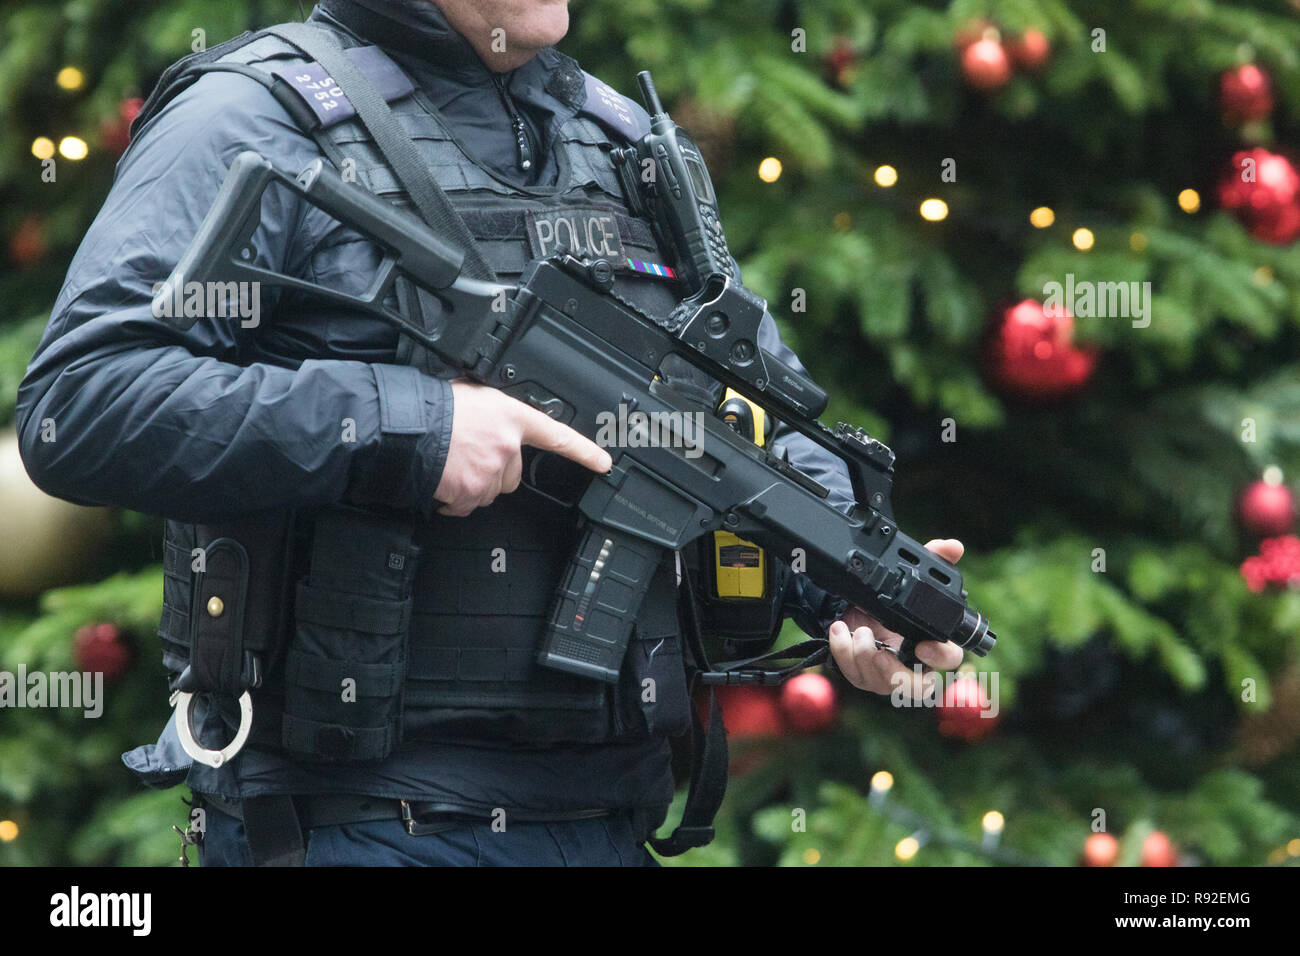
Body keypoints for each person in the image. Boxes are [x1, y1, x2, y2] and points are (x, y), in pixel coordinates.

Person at [15, 0, 967, 867]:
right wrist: (418, 427)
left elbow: (741, 414)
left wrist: (844, 571)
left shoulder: (625, 146)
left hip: (612, 821)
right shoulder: (253, 114)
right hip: (360, 822)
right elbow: (84, 401)